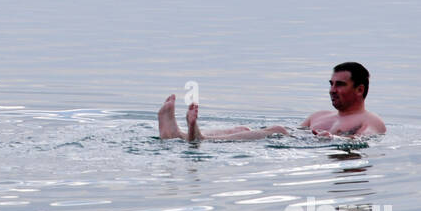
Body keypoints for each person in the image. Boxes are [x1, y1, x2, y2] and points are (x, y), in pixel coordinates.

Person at [157, 62, 386, 141]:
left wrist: (334, 139)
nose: (332, 90)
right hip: (300, 144)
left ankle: (198, 137)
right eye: (331, 84)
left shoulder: (370, 120)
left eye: (339, 85)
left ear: (359, 90)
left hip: (307, 148)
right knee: (244, 129)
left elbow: (365, 139)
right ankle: (179, 135)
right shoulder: (319, 116)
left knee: (277, 130)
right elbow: (297, 135)